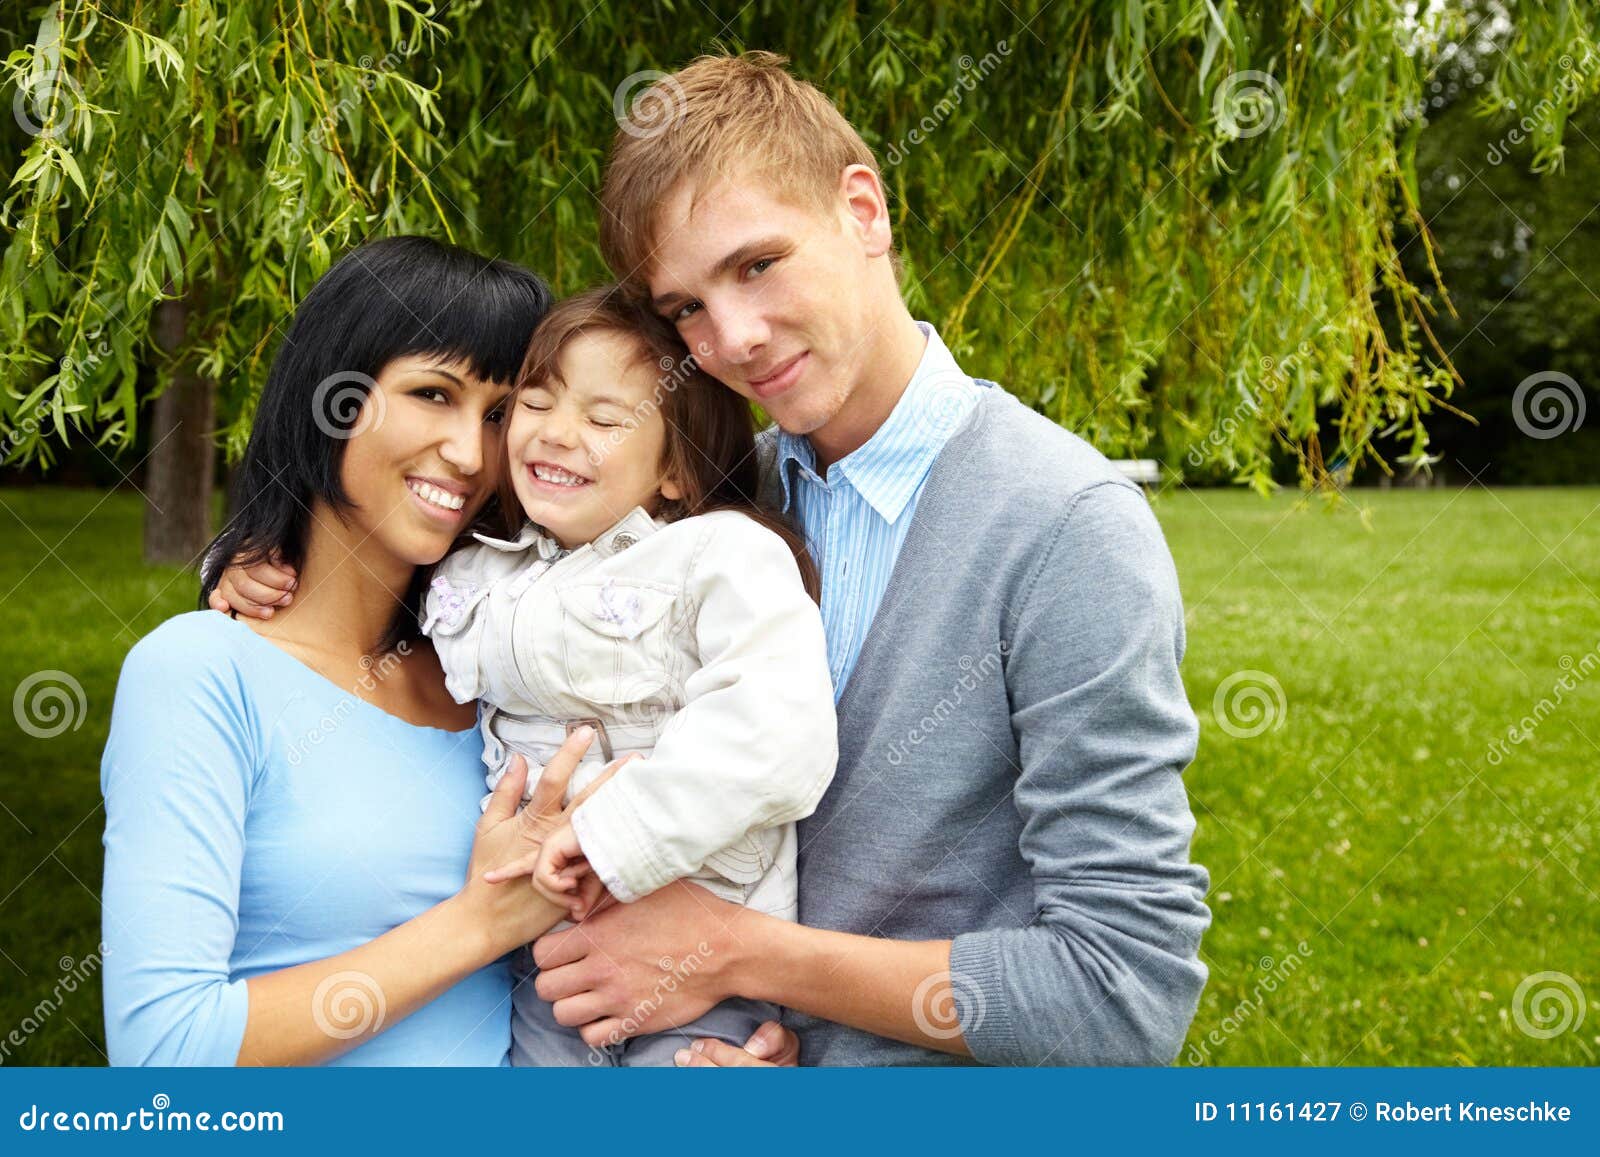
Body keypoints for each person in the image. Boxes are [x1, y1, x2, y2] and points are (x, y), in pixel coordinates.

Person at [217, 52, 1212, 1067]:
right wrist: (281, 568)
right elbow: (504, 599)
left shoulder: (1066, 527)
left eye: (757, 264)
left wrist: (741, 957)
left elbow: (1119, 999)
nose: (731, 338)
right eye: (686, 307)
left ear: (863, 209)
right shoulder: (704, 495)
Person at [102, 236, 617, 1065]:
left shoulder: (495, 676)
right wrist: (480, 923)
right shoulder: (198, 673)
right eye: (432, 393)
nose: (470, 453)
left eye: (498, 414)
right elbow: (163, 1049)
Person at [418, 285, 836, 1064]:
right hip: (542, 979)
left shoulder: (719, 555)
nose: (557, 432)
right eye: (535, 403)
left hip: (697, 979)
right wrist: (252, 565)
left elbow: (781, 735)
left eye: (605, 419)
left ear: (675, 469)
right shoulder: (478, 569)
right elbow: (358, 601)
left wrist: (611, 837)